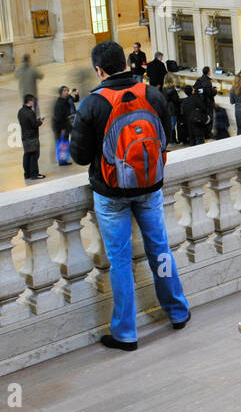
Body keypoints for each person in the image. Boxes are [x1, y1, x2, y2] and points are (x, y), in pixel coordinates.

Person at [69, 40, 189, 352]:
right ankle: (177, 310)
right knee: (160, 249)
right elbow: (165, 134)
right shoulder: (151, 94)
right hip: (149, 186)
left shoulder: (92, 104)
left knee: (120, 261)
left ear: (99, 70)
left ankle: (126, 332)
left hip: (111, 193)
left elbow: (80, 156)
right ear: (126, 63)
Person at [18, 94, 45, 181]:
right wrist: (40, 121)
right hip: (32, 137)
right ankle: (34, 174)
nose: (34, 102)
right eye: (33, 101)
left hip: (25, 137)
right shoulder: (30, 112)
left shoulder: (20, 111)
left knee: (27, 155)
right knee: (34, 155)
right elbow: (34, 125)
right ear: (29, 101)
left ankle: (27, 174)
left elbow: (27, 122)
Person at [51, 86, 75, 166]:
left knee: (64, 143)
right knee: (62, 144)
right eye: (65, 91)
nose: (67, 92)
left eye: (67, 91)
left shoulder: (63, 101)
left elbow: (69, 101)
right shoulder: (59, 103)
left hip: (63, 126)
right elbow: (59, 117)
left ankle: (63, 159)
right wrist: (62, 128)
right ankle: (62, 161)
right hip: (60, 127)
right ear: (61, 92)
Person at [162, 74, 182, 144]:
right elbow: (176, 100)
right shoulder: (173, 90)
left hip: (166, 109)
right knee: (173, 124)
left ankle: (169, 139)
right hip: (173, 109)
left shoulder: (163, 89)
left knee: (169, 124)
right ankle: (173, 139)